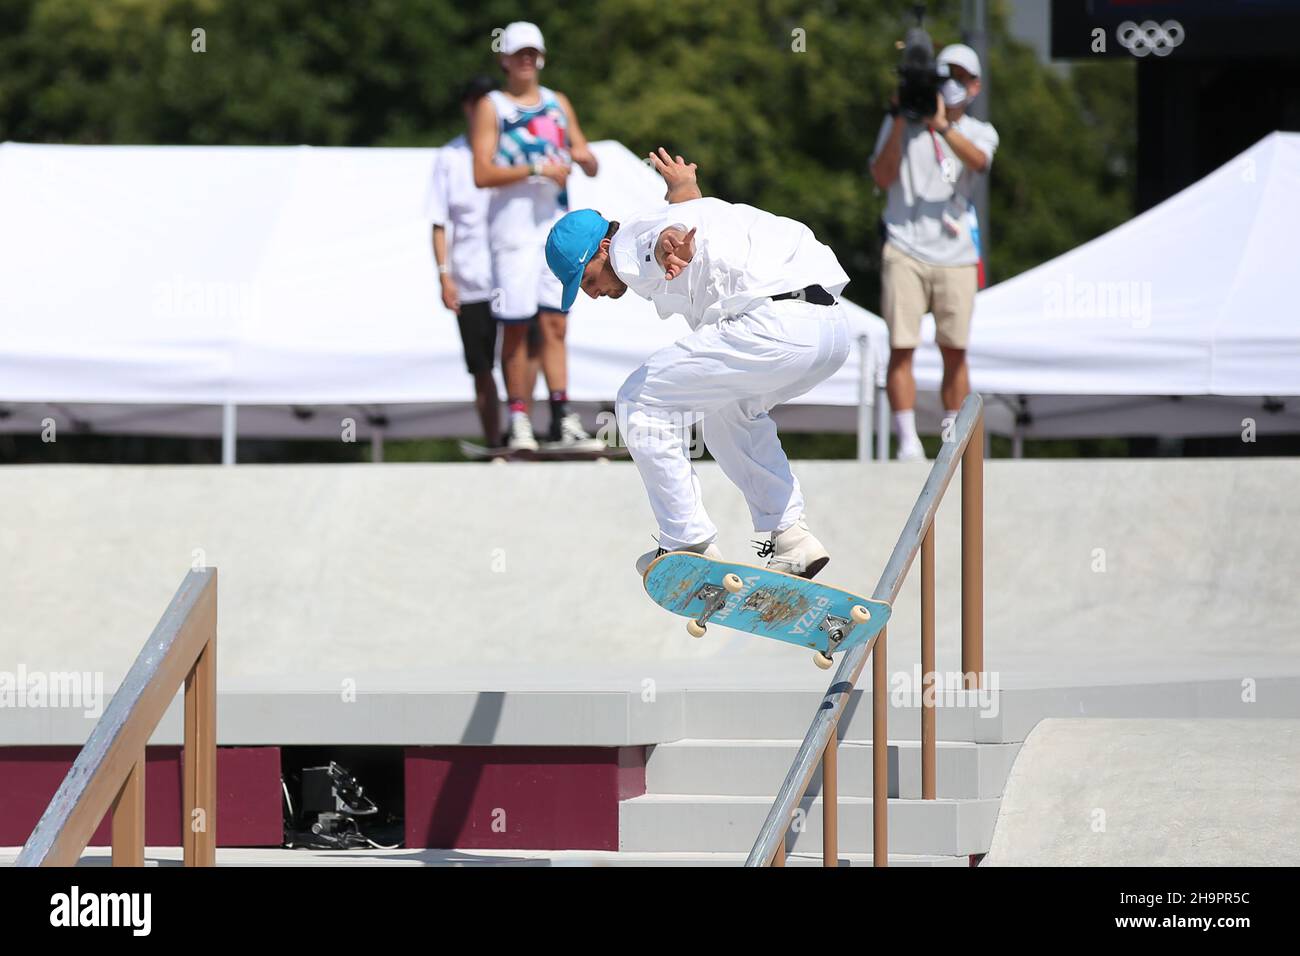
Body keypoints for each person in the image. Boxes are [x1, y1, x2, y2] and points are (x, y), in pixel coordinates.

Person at [545, 149, 850, 578]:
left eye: (589, 280)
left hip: (774, 324)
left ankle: (686, 542)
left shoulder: (632, 243)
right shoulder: (678, 213)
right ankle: (792, 537)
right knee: (728, 414)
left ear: (605, 247)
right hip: (830, 331)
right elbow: (685, 209)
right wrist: (682, 186)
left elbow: (660, 239)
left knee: (640, 401)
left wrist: (669, 247)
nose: (593, 293)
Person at [470, 20, 602, 452]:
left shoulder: (557, 102)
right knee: (515, 326)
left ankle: (563, 416)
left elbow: (589, 159)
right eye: (519, 53)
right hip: (512, 231)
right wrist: (536, 169)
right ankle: (520, 418)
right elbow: (482, 171)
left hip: (555, 228)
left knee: (555, 322)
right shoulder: (493, 106)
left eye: (533, 53)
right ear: (505, 59)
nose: (527, 61)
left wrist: (583, 157)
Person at [869, 43, 998, 460]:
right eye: (946, 78)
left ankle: (950, 436)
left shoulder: (981, 130)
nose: (952, 86)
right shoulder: (901, 125)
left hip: (956, 251)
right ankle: (907, 441)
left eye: (960, 79)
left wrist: (941, 127)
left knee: (955, 349)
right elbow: (882, 174)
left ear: (975, 86)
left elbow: (979, 162)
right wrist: (898, 116)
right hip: (904, 245)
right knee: (902, 344)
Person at [427, 75, 499, 447]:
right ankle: (495, 439)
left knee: (525, 353)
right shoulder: (450, 158)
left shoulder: (511, 151)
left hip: (511, 275)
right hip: (471, 278)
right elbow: (438, 223)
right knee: (481, 367)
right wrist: (444, 276)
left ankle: (530, 431)